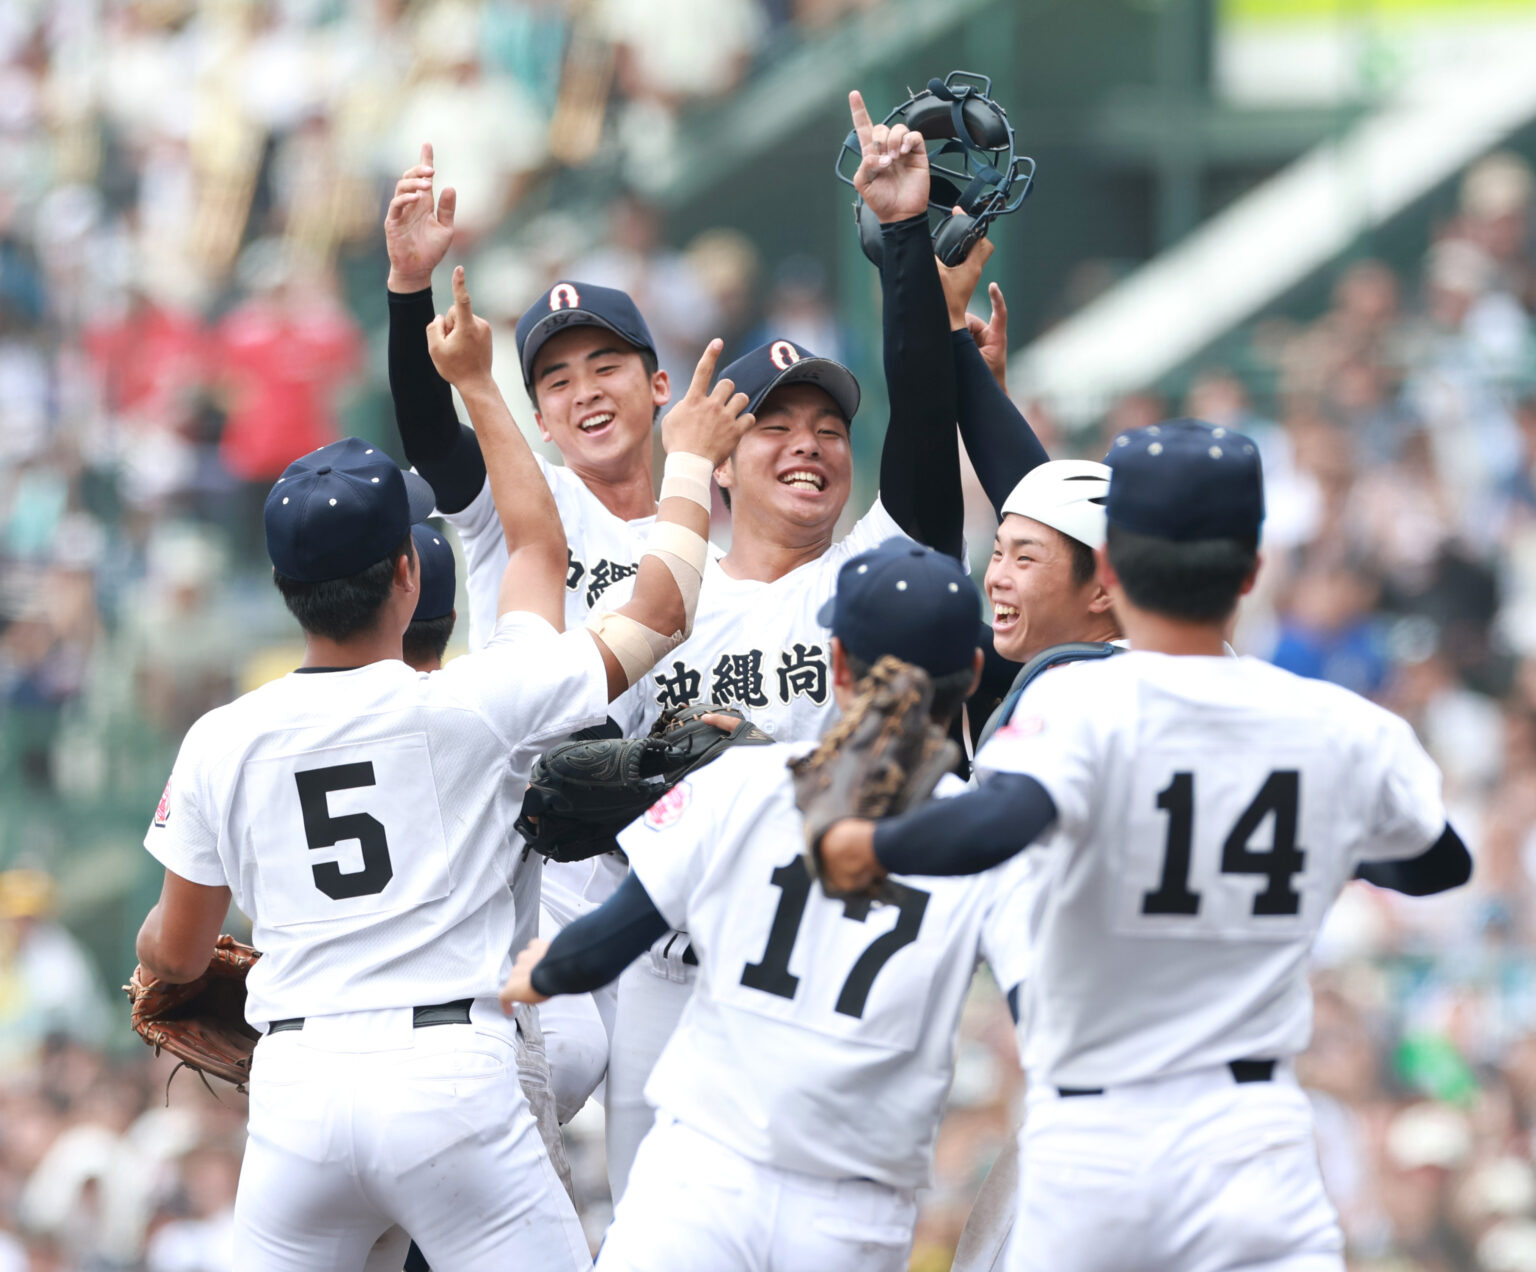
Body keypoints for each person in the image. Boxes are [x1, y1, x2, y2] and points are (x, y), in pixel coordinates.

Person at [132, 267, 748, 1270]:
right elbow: (653, 607)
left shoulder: (221, 739)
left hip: (299, 1088)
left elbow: (178, 955)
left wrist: (164, 968)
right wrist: (685, 469)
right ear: (412, 570)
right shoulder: (476, 704)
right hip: (453, 1075)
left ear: (288, 590)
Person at [817, 418, 1474, 1272]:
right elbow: (1438, 862)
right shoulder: (1339, 725)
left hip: (1097, 1143)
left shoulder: (1077, 702)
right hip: (1253, 1143)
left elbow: (1000, 819)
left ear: (1112, 574)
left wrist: (869, 839)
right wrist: (1323, 836)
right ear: (1252, 573)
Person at [596, 86, 985, 1200]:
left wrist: (903, 236)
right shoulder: (663, 591)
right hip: (672, 974)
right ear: (722, 458)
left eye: (828, 430)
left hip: (832, 958)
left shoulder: (874, 575)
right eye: (776, 428)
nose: (810, 446)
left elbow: (919, 413)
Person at [501, 541, 1032, 1272]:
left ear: (840, 666)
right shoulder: (983, 841)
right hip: (854, 1215)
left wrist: (535, 976)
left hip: (701, 1185)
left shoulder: (742, 783)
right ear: (972, 674)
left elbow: (598, 947)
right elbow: (1045, 1015)